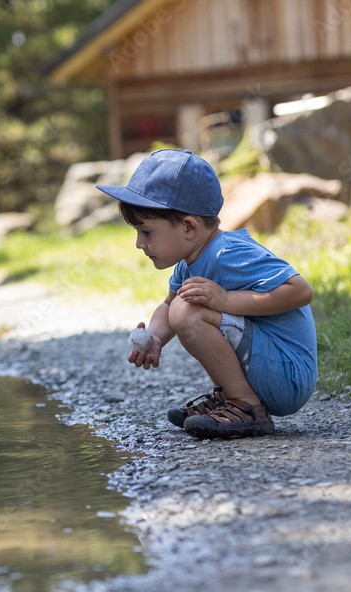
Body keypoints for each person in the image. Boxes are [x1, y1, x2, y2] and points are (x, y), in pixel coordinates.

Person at [97, 148, 317, 438]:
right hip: (267, 366)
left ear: (189, 227)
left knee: (187, 311)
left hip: (288, 372)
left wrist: (225, 300)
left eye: (146, 232)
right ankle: (233, 397)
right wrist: (156, 337)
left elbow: (300, 291)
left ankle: (246, 405)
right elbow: (167, 305)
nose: (139, 243)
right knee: (180, 307)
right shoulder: (190, 263)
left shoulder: (229, 253)